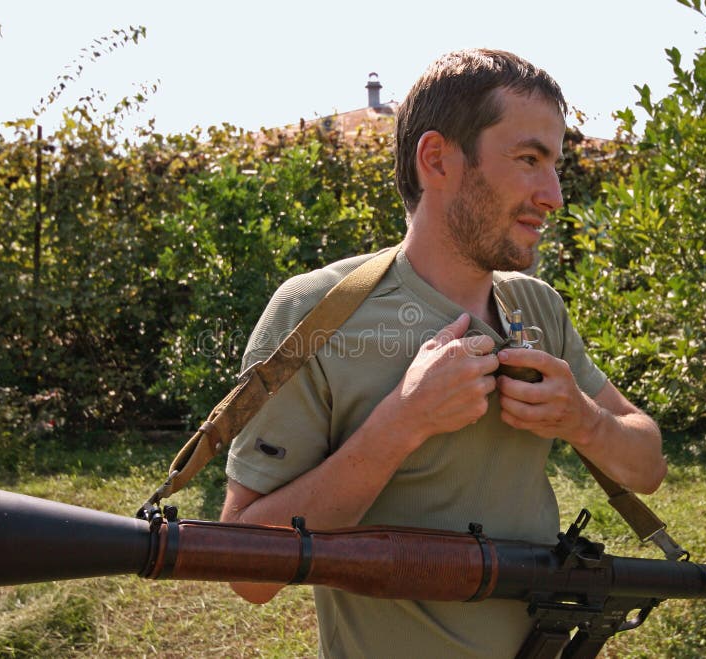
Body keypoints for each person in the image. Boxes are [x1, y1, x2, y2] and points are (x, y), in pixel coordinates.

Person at [219, 48, 667, 658]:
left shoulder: (536, 309)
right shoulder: (315, 314)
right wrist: (402, 422)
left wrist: (582, 421)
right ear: (437, 160)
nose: (555, 195)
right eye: (529, 159)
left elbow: (647, 467)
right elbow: (246, 573)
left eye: (554, 165)